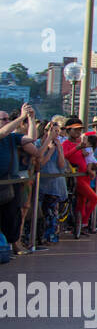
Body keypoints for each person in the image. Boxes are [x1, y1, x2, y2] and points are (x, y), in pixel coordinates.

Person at [0, 105, 40, 249]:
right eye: (3, 119)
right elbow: (3, 132)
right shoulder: (5, 133)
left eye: (7, 119)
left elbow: (31, 138)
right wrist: (21, 117)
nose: (6, 121)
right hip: (1, 181)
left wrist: (31, 118)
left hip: (12, 181)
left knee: (12, 214)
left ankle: (8, 244)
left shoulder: (12, 136)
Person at [62, 117, 97, 233]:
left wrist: (93, 167)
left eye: (80, 130)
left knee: (82, 202)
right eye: (75, 130)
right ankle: (83, 222)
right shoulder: (66, 143)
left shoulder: (83, 143)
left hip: (86, 176)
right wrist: (77, 148)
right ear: (68, 131)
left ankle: (80, 226)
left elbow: (90, 158)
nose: (78, 132)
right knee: (94, 198)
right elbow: (65, 156)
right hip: (75, 178)